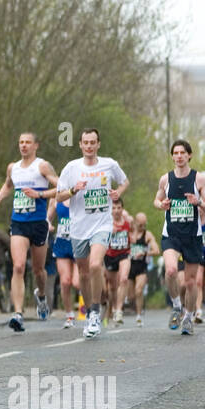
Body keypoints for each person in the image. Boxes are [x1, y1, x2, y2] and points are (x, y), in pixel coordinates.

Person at [53, 127, 129, 339]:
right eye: (85, 142)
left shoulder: (109, 164)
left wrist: (117, 193)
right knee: (84, 274)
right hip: (78, 228)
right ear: (80, 144)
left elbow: (124, 182)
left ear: (98, 144)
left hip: (102, 225)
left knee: (96, 265)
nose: (89, 146)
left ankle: (95, 312)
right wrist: (73, 190)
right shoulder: (71, 168)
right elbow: (59, 197)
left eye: (92, 142)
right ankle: (89, 313)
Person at [0, 132, 59, 332]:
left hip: (38, 223)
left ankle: (42, 297)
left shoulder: (42, 166)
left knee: (38, 270)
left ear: (36, 145)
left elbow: (61, 186)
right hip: (18, 222)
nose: (24, 146)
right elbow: (8, 184)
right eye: (21, 142)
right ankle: (18, 313)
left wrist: (40, 194)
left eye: (28, 142)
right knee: (18, 266)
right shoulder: (13, 167)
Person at [152, 139, 205, 336]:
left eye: (182, 153)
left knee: (190, 283)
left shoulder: (199, 179)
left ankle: (188, 316)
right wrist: (160, 205)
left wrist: (198, 203)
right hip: (171, 234)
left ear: (189, 155)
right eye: (175, 153)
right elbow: (156, 199)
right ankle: (177, 306)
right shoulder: (166, 179)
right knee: (171, 270)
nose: (179, 156)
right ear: (172, 156)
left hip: (193, 236)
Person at [46, 199, 80, 328]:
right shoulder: (55, 201)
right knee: (65, 281)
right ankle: (69, 315)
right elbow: (47, 219)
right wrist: (48, 224)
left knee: (76, 283)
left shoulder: (81, 197)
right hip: (62, 245)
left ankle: (92, 305)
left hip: (78, 244)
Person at [103, 194, 133, 325]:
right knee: (112, 287)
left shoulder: (128, 221)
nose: (116, 210)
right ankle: (114, 308)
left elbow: (134, 232)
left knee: (124, 279)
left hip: (124, 253)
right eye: (114, 208)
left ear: (122, 209)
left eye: (119, 208)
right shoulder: (106, 222)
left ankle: (119, 310)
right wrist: (110, 232)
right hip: (110, 255)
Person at [127, 211, 159, 326]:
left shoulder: (147, 234)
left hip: (141, 266)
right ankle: (133, 308)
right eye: (141, 224)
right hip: (129, 266)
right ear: (135, 222)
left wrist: (145, 252)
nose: (143, 227)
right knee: (130, 296)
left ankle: (139, 315)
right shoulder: (128, 233)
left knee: (139, 290)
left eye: (144, 224)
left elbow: (156, 250)